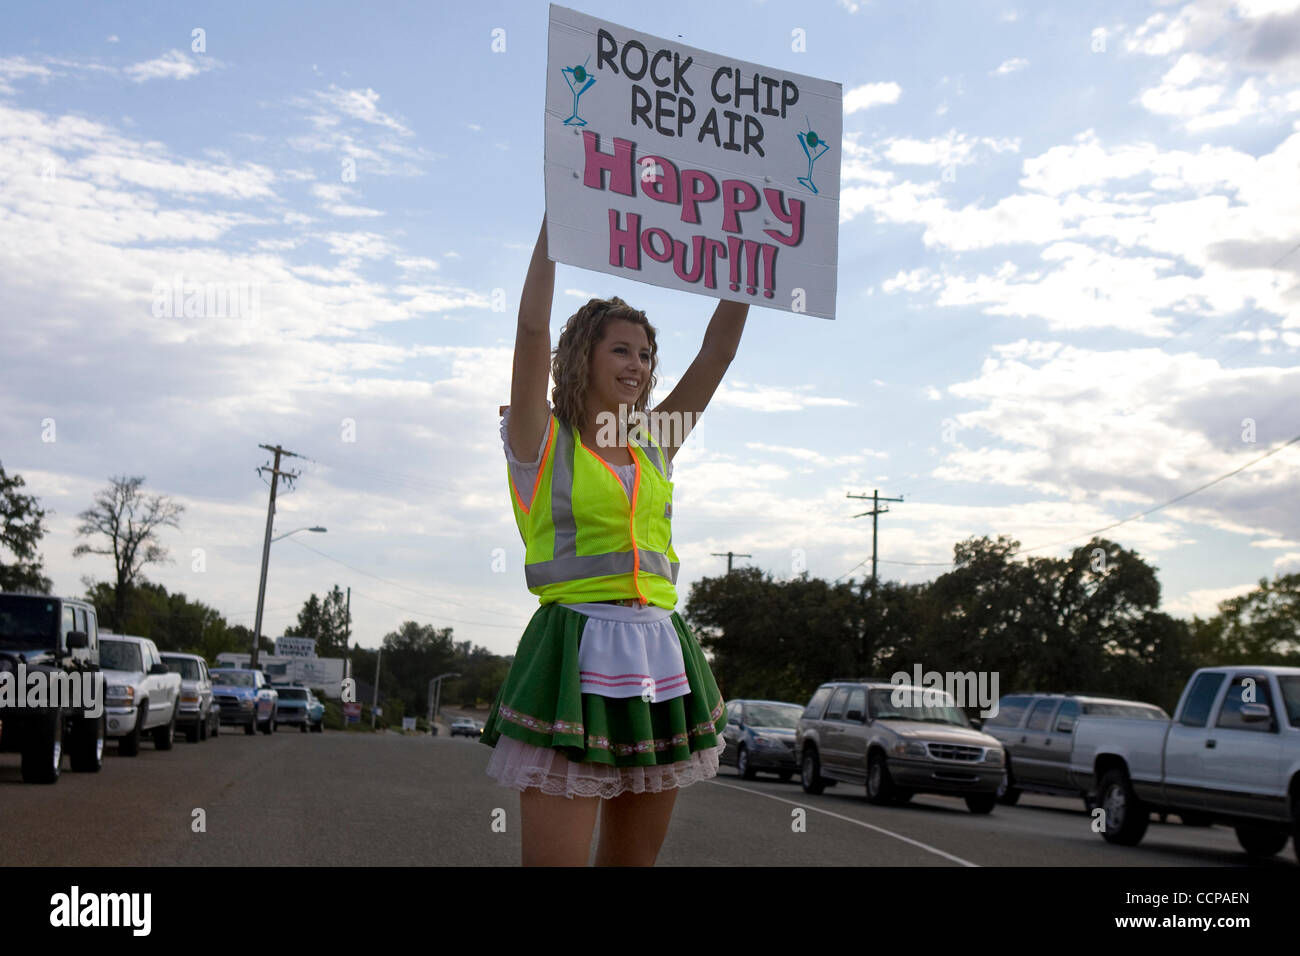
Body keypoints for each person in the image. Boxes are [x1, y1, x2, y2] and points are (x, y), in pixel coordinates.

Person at [481, 214, 748, 866]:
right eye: (621, 350)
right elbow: (530, 331)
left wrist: (751, 259)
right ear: (584, 357)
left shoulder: (657, 439)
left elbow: (717, 354)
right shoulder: (538, 438)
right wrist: (555, 219)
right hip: (573, 647)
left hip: (659, 653)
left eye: (646, 353)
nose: (638, 365)